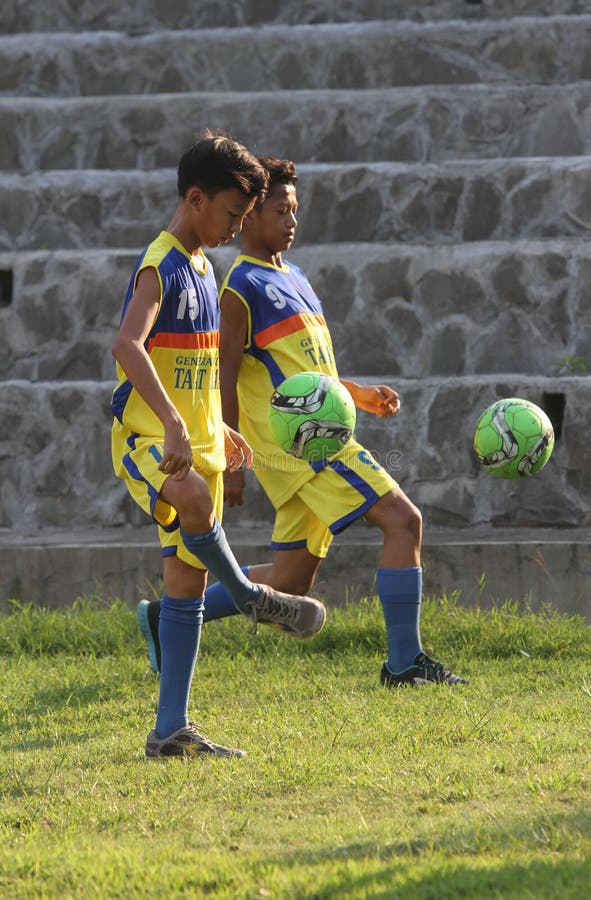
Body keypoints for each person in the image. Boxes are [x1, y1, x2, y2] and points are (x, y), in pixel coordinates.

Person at [137, 155, 466, 688]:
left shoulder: (296, 277)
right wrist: (232, 460)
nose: (290, 220)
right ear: (248, 217)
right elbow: (222, 375)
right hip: (306, 447)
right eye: (278, 210)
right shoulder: (239, 288)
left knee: (290, 578)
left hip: (321, 433)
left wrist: (357, 394)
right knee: (404, 521)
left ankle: (166, 613)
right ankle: (404, 662)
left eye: (295, 209)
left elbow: (308, 371)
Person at [111, 135, 326, 760]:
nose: (237, 228)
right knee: (189, 498)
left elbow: (199, 365)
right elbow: (127, 347)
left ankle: (169, 730)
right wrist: (176, 426)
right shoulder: (163, 264)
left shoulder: (207, 266)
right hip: (152, 437)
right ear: (196, 198)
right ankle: (253, 596)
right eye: (233, 214)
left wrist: (215, 427)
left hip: (198, 440)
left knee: (184, 584)